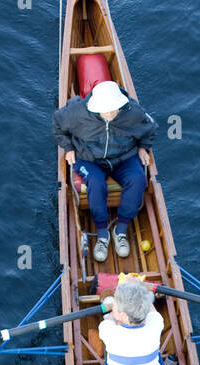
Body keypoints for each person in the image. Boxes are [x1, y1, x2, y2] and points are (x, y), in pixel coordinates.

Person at [53, 79, 157, 262]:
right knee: (95, 182)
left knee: (138, 178)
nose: (112, 113)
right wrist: (68, 148)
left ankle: (121, 230)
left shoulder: (133, 112)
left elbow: (150, 128)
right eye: (108, 109)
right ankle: (102, 233)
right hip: (89, 159)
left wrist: (143, 147)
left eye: (115, 108)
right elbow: (57, 125)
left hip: (124, 158)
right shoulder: (76, 113)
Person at [99, 279, 171, 365]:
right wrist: (138, 290)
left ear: (125, 316)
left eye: (115, 305)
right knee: (156, 354)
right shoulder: (157, 322)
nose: (114, 306)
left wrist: (114, 313)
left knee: (110, 357)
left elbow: (110, 318)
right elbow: (149, 307)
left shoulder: (106, 329)